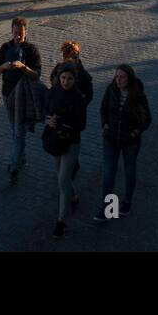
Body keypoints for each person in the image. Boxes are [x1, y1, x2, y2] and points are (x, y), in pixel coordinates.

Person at [94, 64, 151, 222]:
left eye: (122, 77)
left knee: (129, 171)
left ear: (129, 78)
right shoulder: (111, 89)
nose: (118, 80)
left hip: (129, 142)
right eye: (116, 76)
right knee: (108, 174)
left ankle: (127, 201)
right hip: (110, 138)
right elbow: (103, 108)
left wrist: (135, 132)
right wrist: (104, 124)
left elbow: (147, 119)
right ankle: (106, 208)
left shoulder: (138, 95)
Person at [0, 17, 43, 184]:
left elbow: (37, 75)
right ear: (11, 32)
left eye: (20, 34)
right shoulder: (5, 47)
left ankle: (14, 166)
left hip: (24, 97)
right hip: (8, 95)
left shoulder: (32, 50)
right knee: (16, 131)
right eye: (15, 33)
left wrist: (23, 67)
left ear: (26, 32)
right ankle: (21, 159)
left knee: (18, 132)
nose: (18, 37)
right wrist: (4, 66)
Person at [45, 66, 88, 239]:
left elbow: (81, 125)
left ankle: (61, 221)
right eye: (63, 78)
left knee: (62, 181)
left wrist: (61, 122)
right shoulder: (54, 91)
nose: (65, 81)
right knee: (62, 176)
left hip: (71, 142)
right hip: (56, 140)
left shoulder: (79, 99)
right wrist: (50, 119)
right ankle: (75, 195)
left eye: (69, 78)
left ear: (74, 80)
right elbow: (47, 109)